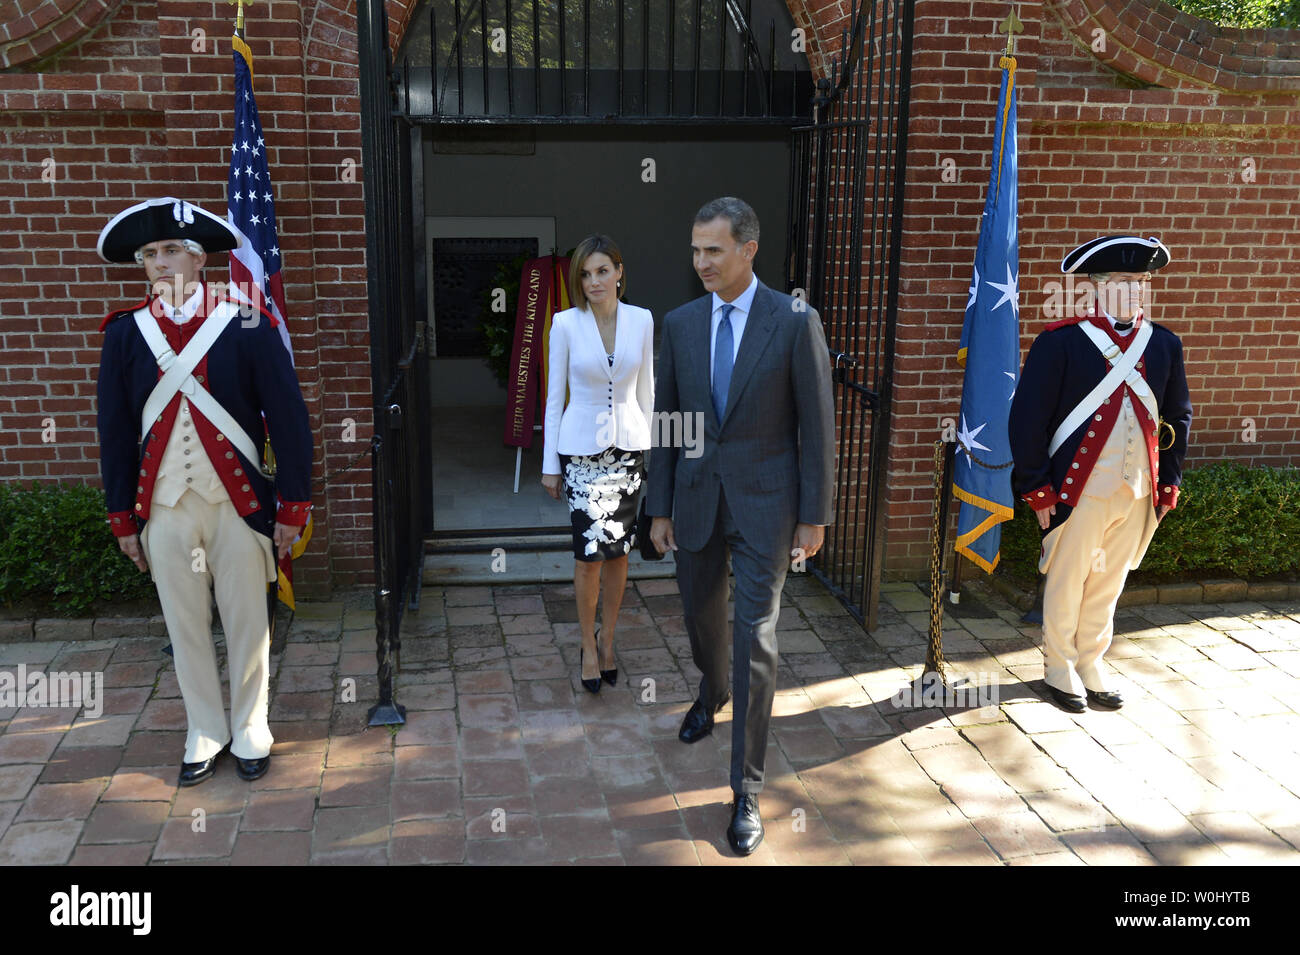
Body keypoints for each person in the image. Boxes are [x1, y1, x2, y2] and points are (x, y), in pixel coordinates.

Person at [96, 197, 313, 785]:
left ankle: (250, 726)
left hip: (237, 502)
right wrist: (122, 518)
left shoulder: (246, 320)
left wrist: (292, 505)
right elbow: (114, 433)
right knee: (183, 623)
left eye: (172, 250)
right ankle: (205, 727)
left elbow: (289, 419)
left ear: (198, 260)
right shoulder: (123, 335)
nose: (161, 263)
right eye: (150, 254)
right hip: (162, 506)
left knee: (248, 621)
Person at [647, 197, 835, 856]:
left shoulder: (793, 320)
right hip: (696, 501)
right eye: (695, 250)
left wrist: (814, 515)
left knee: (755, 636)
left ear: (748, 249)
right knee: (703, 624)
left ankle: (746, 789)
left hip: (767, 505)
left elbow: (817, 424)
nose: (700, 262)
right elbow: (667, 421)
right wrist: (659, 506)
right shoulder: (681, 323)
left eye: (713, 250)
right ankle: (712, 686)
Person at [1009, 234, 1191, 714]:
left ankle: (1091, 661)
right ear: (1098, 287)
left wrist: (1167, 482)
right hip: (1079, 489)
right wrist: (1037, 487)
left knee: (1108, 582)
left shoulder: (1165, 344)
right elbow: (1027, 419)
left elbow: (1178, 417)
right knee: (1069, 579)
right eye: (1125, 281)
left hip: (1137, 489)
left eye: (1143, 281)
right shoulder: (1061, 342)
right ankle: (1058, 665)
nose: (1135, 291)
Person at [541, 235, 655, 695]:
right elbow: (553, 400)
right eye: (585, 274)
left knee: (620, 552)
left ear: (619, 272)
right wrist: (550, 464)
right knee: (589, 555)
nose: (594, 281)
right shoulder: (565, 324)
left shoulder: (642, 321)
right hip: (582, 455)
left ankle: (609, 639)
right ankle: (587, 645)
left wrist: (657, 454)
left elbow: (648, 389)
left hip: (628, 451)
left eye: (602, 271)